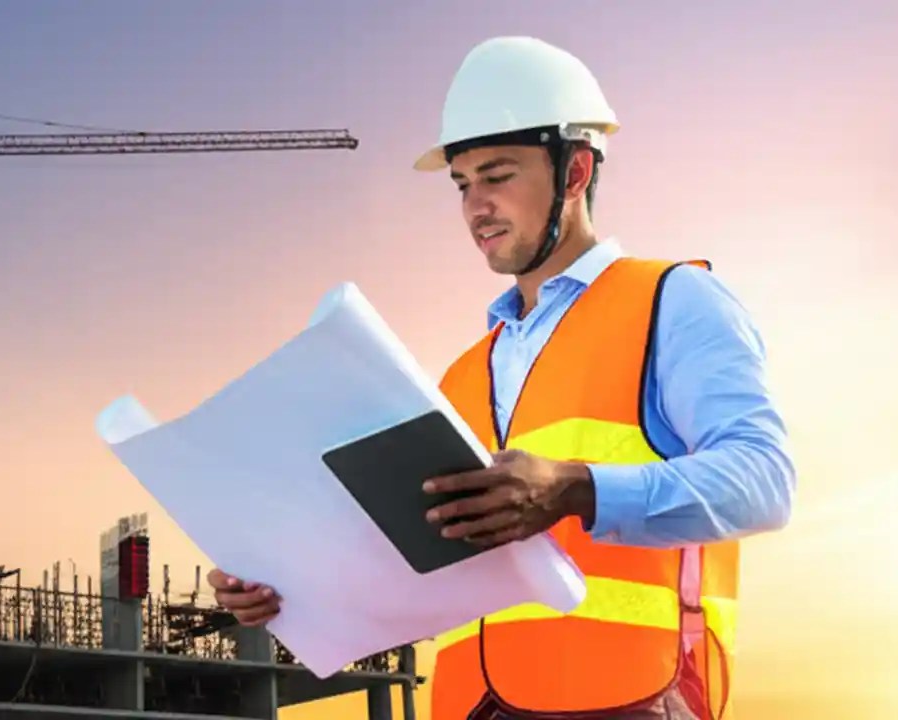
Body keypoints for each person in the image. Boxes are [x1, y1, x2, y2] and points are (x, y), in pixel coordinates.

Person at [207, 36, 795, 720]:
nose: (475, 206)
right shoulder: (462, 374)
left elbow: (765, 480)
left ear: (574, 173)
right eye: (462, 185)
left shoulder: (673, 300)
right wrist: (284, 589)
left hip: (629, 697)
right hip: (474, 706)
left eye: (497, 175)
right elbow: (420, 569)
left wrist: (576, 489)